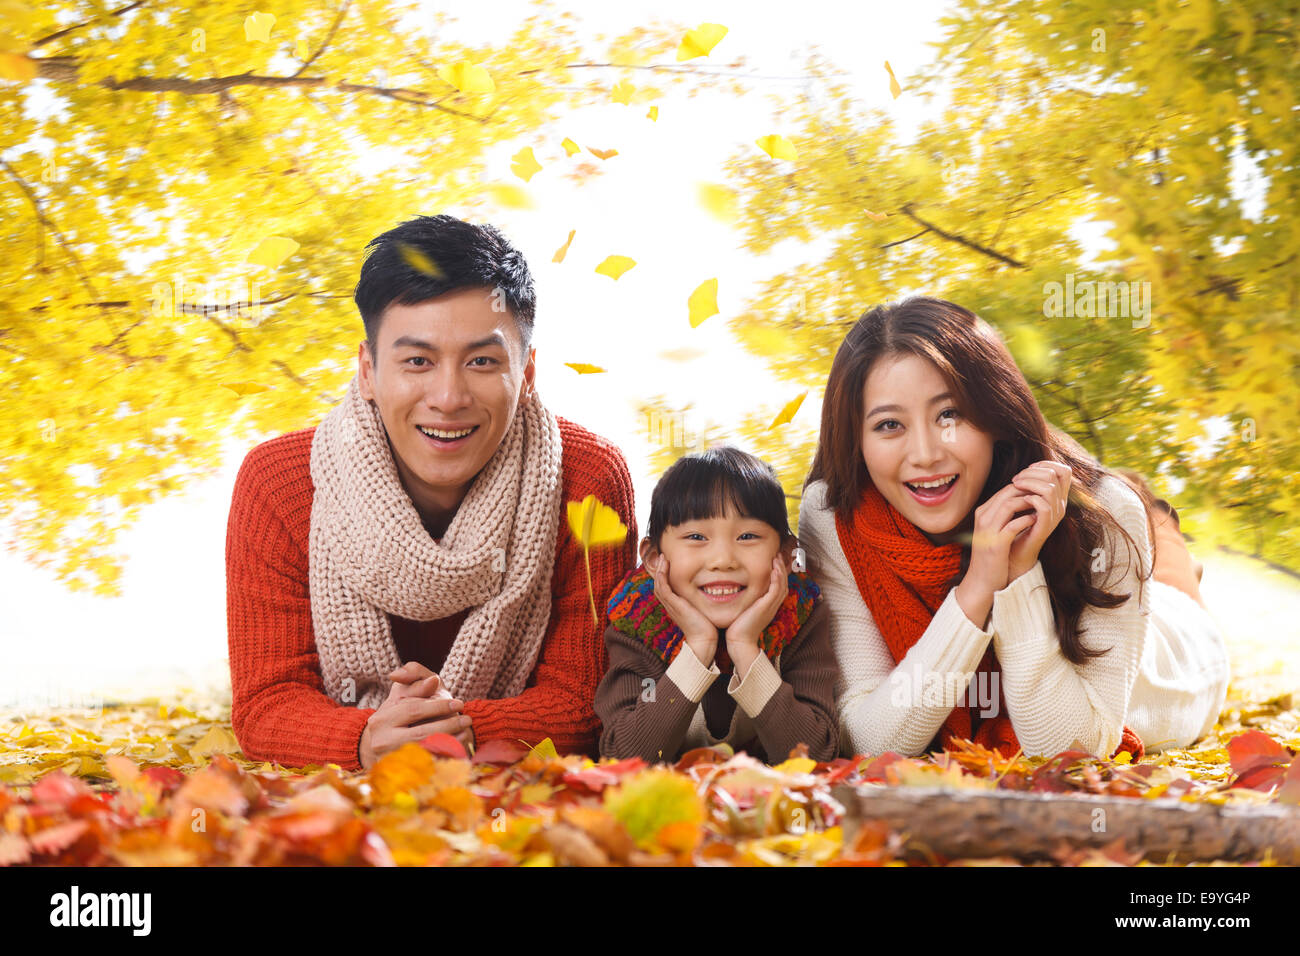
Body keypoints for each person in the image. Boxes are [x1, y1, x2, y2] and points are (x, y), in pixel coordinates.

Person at [225, 214, 636, 771]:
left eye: (482, 362)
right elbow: (267, 703)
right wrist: (363, 739)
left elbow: (585, 703)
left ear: (528, 371)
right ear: (368, 371)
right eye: (417, 361)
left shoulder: (588, 479)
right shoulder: (278, 482)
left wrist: (452, 732)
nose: (447, 397)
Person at [798, 296, 1229, 759]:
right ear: (855, 438)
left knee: (1167, 570)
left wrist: (1022, 573)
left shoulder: (1104, 512)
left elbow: (1069, 747)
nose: (924, 453)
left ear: (995, 417)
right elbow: (866, 739)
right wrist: (979, 587)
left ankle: (1164, 536)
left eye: (950, 414)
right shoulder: (835, 515)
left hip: (1179, 654)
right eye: (888, 424)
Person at [595, 446, 838, 764]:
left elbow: (816, 757)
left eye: (748, 536)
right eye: (696, 537)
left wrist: (745, 648)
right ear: (655, 559)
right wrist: (697, 648)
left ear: (786, 555)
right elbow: (624, 757)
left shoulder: (800, 614)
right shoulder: (638, 622)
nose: (723, 560)